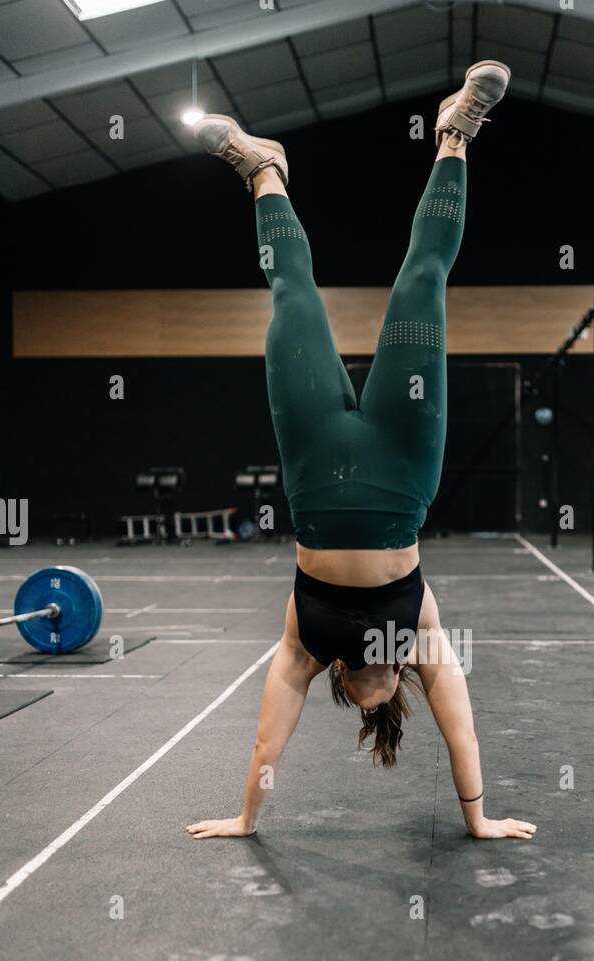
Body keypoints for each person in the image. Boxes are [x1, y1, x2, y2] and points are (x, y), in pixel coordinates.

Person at [186, 62, 537, 842]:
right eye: (390, 692)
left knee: (291, 301)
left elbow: (267, 742)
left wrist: (246, 818)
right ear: (399, 678)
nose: (378, 682)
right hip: (405, 465)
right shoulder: (424, 641)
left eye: (363, 690)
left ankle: (262, 170)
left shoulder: (304, 646)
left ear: (342, 678)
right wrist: (479, 821)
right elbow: (464, 738)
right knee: (422, 285)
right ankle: (456, 132)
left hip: (315, 467)